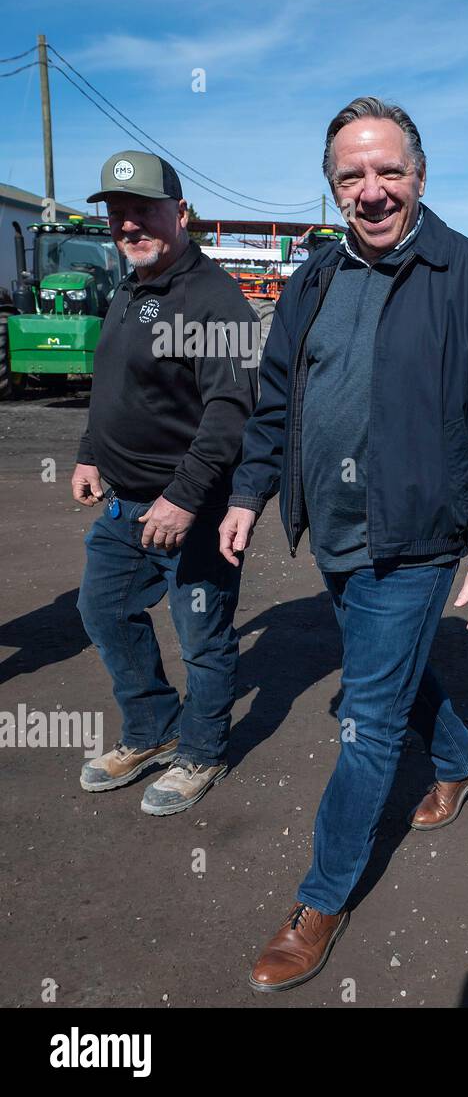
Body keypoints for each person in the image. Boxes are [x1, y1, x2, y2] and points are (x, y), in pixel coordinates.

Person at [219, 97, 468, 992]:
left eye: (388, 171)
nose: (371, 190)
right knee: (387, 669)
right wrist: (251, 492)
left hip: (417, 539)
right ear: (332, 189)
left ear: (420, 176)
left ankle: (320, 899)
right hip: (334, 530)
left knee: (364, 720)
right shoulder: (313, 279)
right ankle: (458, 757)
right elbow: (276, 399)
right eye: (351, 176)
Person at [74, 151, 258, 815]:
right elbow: (111, 384)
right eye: (118, 213)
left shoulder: (216, 300)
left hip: (194, 507)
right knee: (102, 609)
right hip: (124, 505)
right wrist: (88, 451)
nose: (129, 224)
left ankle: (202, 752)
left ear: (179, 213)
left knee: (202, 634)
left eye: (144, 210)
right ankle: (151, 731)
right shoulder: (130, 287)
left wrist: (183, 497)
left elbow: (230, 412)